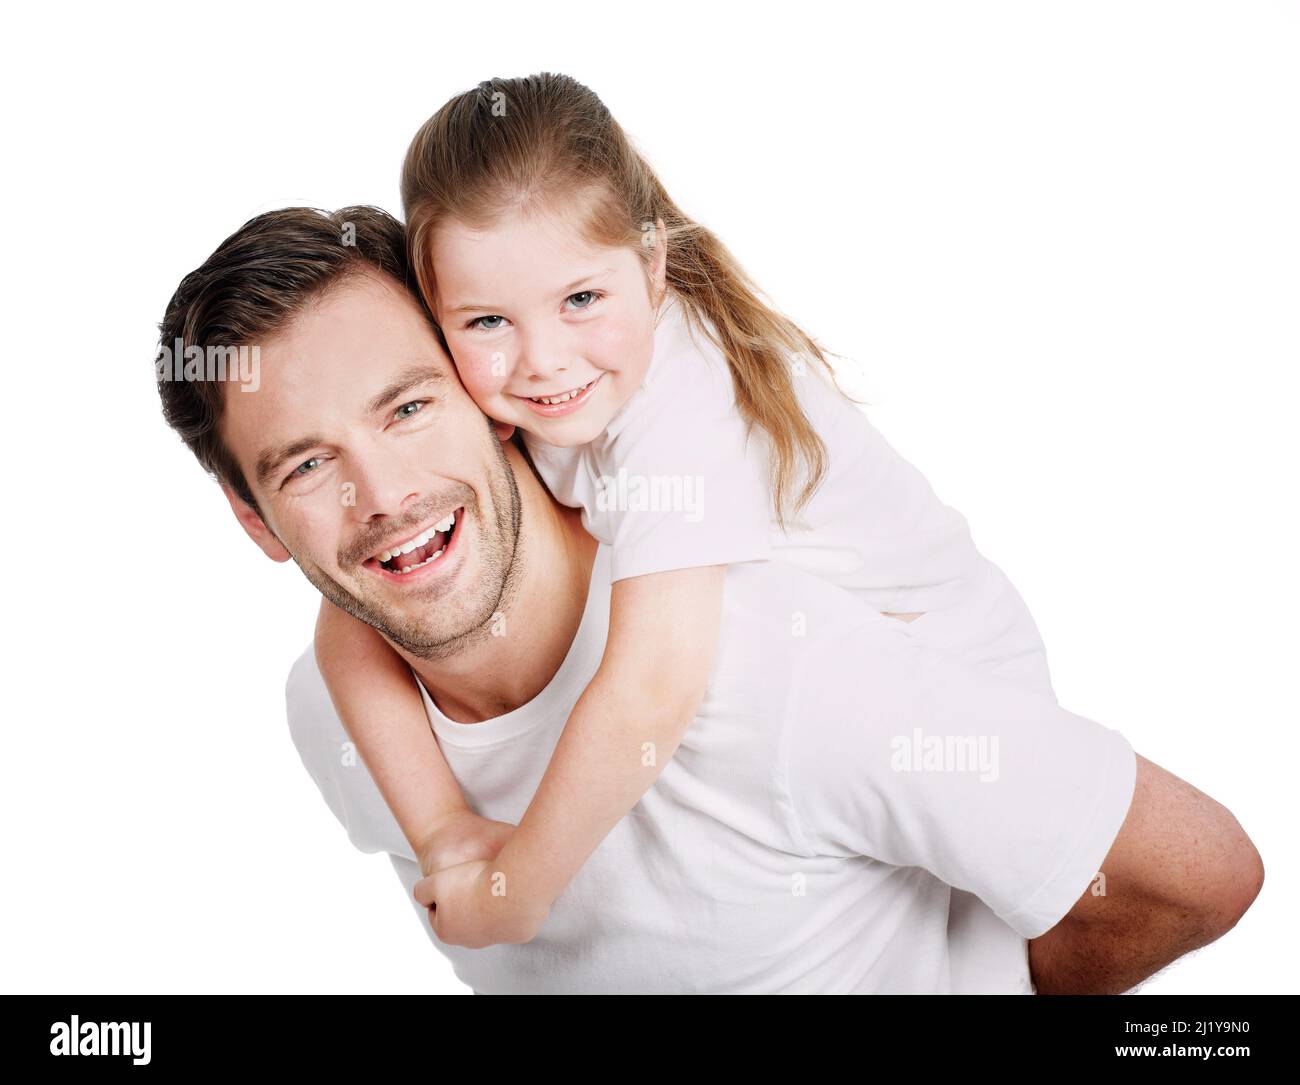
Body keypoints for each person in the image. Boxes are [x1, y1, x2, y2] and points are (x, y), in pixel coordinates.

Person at [154, 204, 1262, 993]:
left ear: (490, 390)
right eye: (305, 467)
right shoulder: (330, 716)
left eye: (407, 407)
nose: (384, 495)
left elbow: (1197, 876)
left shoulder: (773, 661)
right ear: (253, 519)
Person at [314, 73, 1061, 947]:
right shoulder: (524, 392)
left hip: (959, 688)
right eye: (486, 321)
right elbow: (345, 622)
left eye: (581, 299)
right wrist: (443, 829)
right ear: (435, 318)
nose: (543, 361)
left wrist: (516, 888)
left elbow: (653, 689)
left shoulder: (679, 399)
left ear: (655, 265)